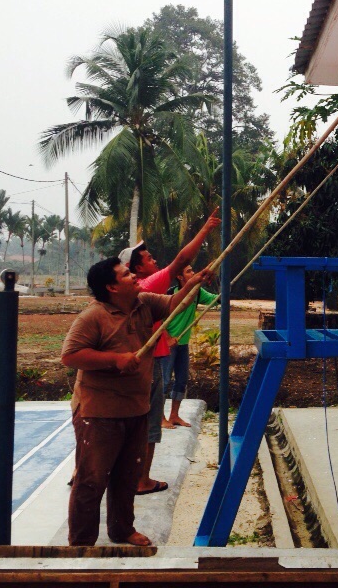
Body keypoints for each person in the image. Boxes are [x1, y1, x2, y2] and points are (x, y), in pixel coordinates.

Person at [61, 256, 212, 547]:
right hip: (99, 413)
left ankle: (122, 530)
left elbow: (174, 303)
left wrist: (192, 283)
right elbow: (70, 355)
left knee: (127, 475)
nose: (133, 276)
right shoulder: (93, 317)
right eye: (125, 274)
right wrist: (115, 359)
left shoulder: (144, 303)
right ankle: (81, 543)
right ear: (112, 287)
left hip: (136, 409)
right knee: (92, 481)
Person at [119, 210, 219, 495]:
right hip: (151, 362)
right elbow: (181, 261)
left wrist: (194, 281)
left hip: (148, 358)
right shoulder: (147, 286)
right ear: (137, 268)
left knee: (136, 419)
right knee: (149, 421)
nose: (155, 261)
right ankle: (142, 480)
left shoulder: (135, 293)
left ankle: (128, 474)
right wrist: (206, 228)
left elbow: (176, 299)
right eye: (149, 258)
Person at [161, 264, 218, 429]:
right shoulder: (170, 294)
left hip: (183, 344)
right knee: (164, 382)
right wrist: (167, 338)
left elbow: (218, 299)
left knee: (181, 381)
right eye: (188, 271)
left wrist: (214, 282)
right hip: (168, 345)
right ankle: (160, 417)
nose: (193, 273)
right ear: (180, 277)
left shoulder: (198, 292)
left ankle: (174, 415)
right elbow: (157, 319)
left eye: (193, 270)